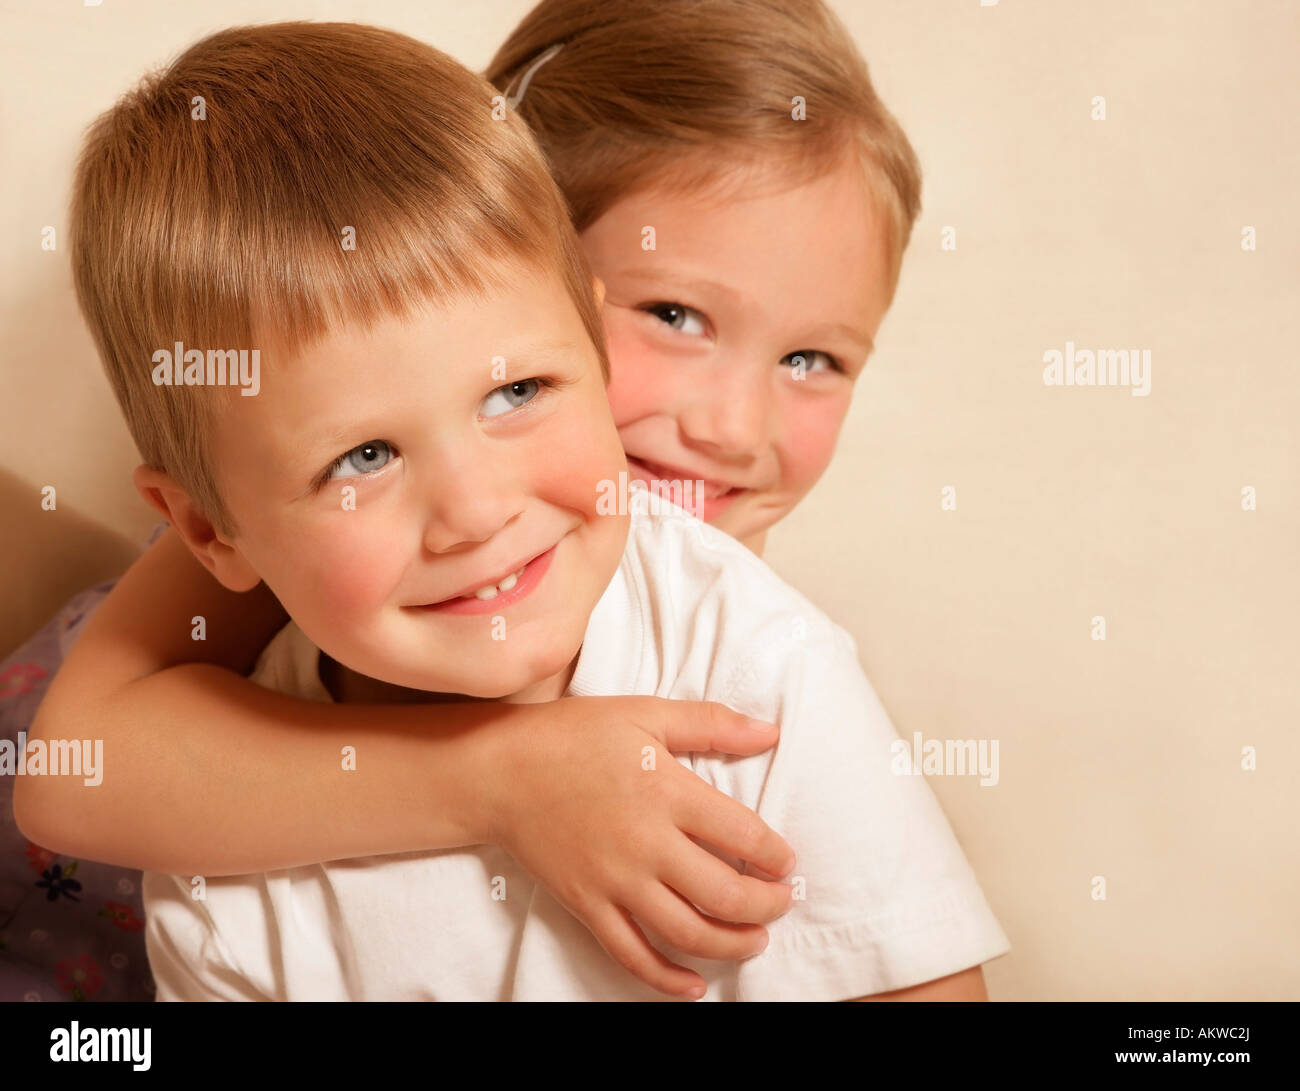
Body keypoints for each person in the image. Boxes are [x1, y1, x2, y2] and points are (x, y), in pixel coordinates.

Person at [19, 6, 998, 999]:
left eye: (810, 357)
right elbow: (76, 773)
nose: (730, 426)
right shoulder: (292, 530)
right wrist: (507, 774)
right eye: (672, 314)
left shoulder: (757, 656)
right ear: (543, 260)